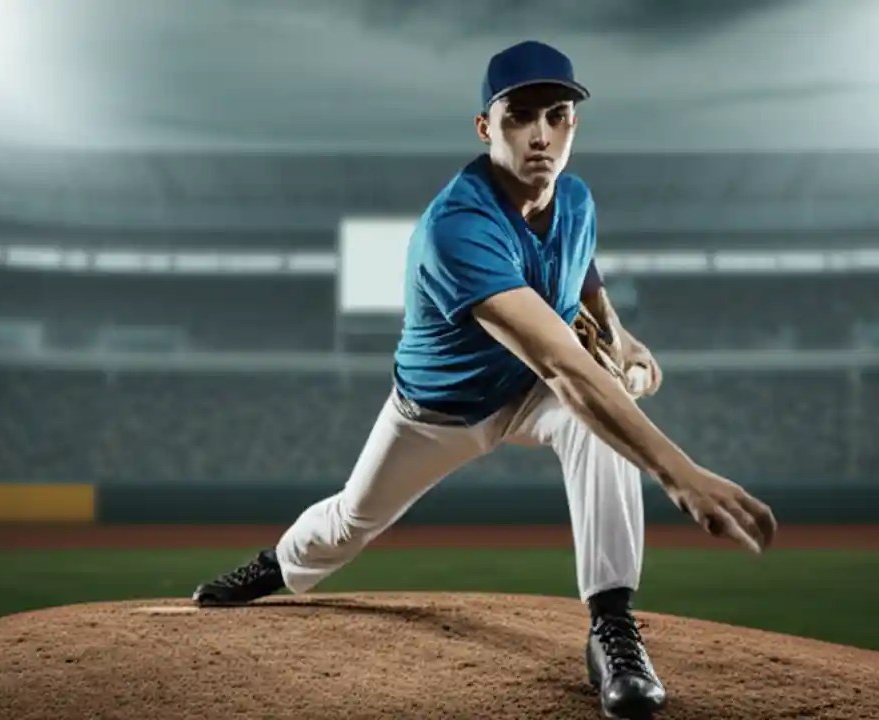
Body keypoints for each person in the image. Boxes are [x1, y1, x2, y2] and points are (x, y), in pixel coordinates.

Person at [193, 39, 777, 720]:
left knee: (600, 418)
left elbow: (582, 272)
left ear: (573, 124)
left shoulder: (577, 199)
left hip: (531, 394)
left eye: (556, 115)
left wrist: (618, 334)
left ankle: (612, 627)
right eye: (518, 116)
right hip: (438, 410)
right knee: (351, 521)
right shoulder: (457, 227)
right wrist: (680, 472)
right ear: (485, 127)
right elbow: (562, 362)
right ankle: (279, 564)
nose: (540, 134)